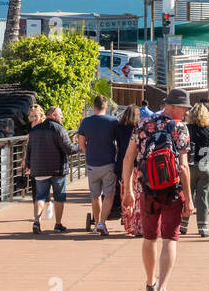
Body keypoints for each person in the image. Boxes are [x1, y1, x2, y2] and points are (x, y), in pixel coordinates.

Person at [121, 87, 192, 291]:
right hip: (172, 191)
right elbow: (183, 167)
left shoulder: (143, 124)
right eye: (184, 108)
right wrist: (188, 198)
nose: (187, 112)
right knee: (170, 237)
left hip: (147, 189)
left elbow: (128, 158)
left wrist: (129, 190)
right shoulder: (179, 128)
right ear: (171, 106)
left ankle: (150, 282)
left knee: (149, 237)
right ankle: (163, 289)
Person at [25, 103, 78, 233]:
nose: (62, 117)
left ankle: (37, 221)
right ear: (53, 115)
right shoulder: (59, 129)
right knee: (59, 197)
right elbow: (69, 149)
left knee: (40, 196)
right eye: (61, 115)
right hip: (57, 169)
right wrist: (79, 146)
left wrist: (28, 165)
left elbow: (29, 149)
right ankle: (58, 224)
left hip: (39, 169)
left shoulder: (34, 130)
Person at [77, 94, 120, 235]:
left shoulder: (86, 122)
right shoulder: (113, 121)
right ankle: (102, 222)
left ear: (94, 106)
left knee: (95, 195)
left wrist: (88, 153)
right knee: (109, 195)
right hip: (108, 163)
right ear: (106, 106)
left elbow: (81, 142)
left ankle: (97, 224)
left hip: (92, 163)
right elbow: (119, 142)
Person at [181, 102, 209, 236]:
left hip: (190, 165)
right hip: (205, 165)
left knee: (187, 195)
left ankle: (183, 225)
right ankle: (203, 228)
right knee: (203, 198)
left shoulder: (186, 128)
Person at [115, 104, 143, 237]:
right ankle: (138, 224)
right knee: (137, 195)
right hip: (136, 164)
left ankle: (128, 222)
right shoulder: (138, 128)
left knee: (125, 193)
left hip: (123, 164)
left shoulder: (118, 128)